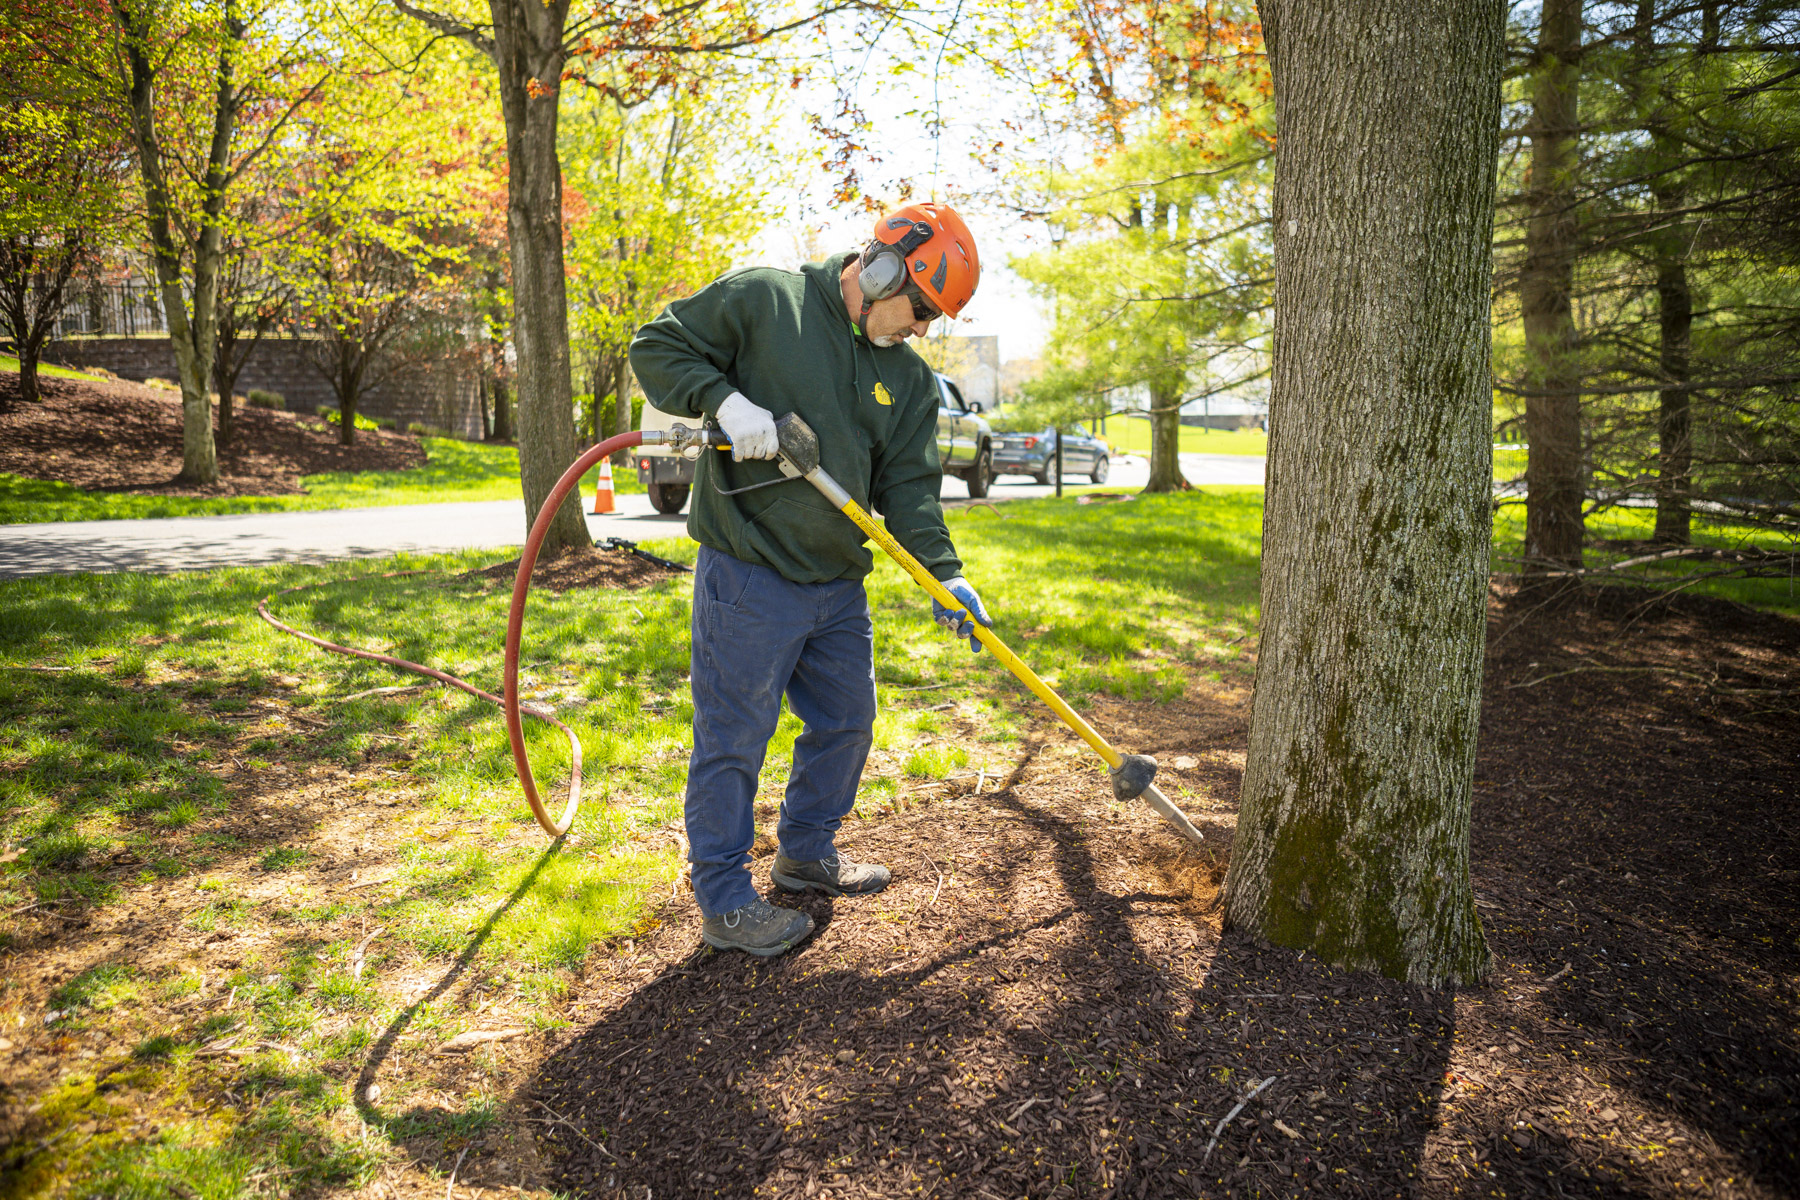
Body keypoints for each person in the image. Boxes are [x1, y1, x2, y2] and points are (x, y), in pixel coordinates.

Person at [629, 202, 992, 957]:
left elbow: (912, 492)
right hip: (750, 572)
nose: (923, 329)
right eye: (921, 309)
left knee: (846, 723)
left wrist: (945, 575)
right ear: (883, 268)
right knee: (733, 740)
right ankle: (726, 903)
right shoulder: (769, 300)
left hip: (837, 587)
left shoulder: (911, 382)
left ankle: (805, 852)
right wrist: (724, 400)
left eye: (934, 319)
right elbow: (659, 347)